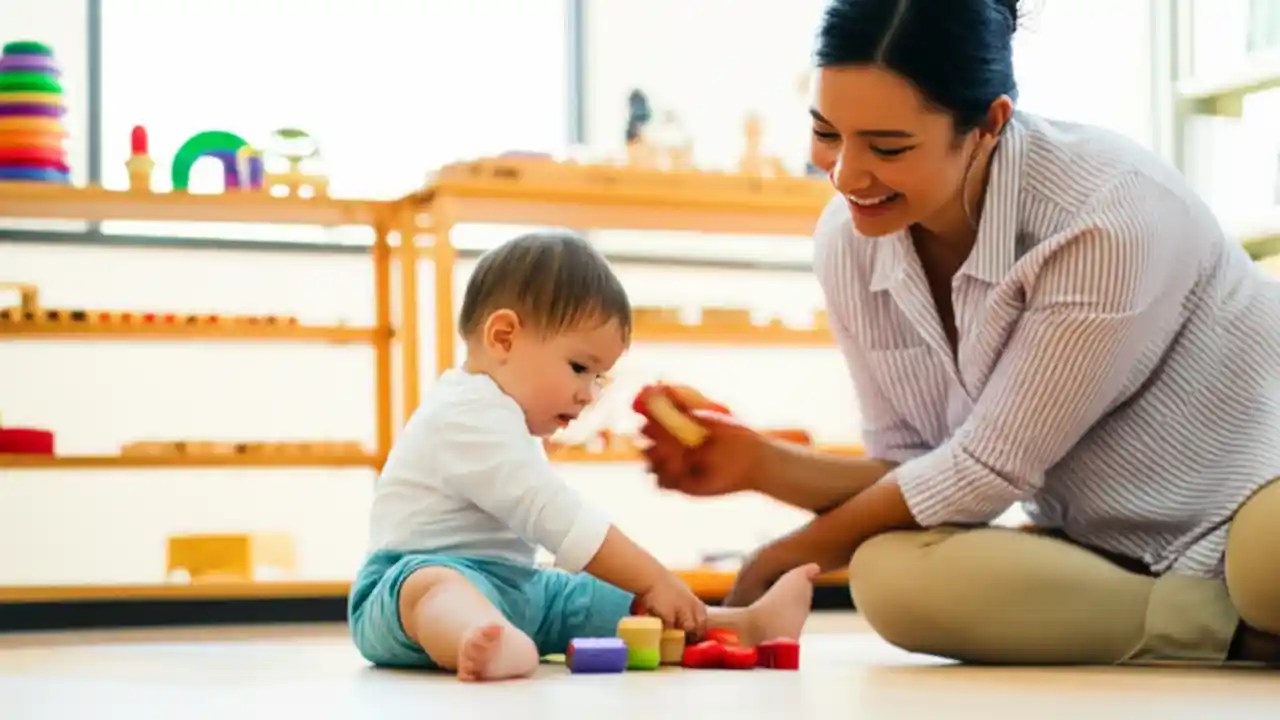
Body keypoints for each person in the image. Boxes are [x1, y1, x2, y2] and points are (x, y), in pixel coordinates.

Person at [642, 0, 1280, 666]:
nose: (846, 175)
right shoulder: (855, 237)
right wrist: (757, 464)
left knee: (1265, 566)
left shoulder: (1108, 213)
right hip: (1109, 552)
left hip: (1256, 497)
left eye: (887, 147)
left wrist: (784, 555)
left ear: (988, 125)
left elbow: (985, 468)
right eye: (827, 133)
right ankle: (1227, 630)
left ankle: (1238, 616)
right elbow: (919, 474)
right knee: (890, 575)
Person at [347, 231, 818, 681]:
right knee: (436, 586)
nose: (588, 394)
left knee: (597, 594)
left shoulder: (503, 417)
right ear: (504, 337)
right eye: (579, 368)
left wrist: (645, 590)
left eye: (599, 378)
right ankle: (476, 637)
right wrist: (653, 577)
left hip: (511, 585)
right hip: (397, 591)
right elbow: (555, 515)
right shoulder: (466, 414)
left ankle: (741, 626)